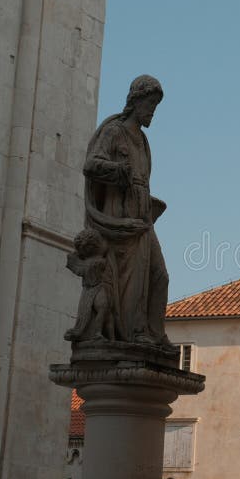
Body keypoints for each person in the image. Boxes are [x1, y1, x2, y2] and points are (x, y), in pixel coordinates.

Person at [81, 75, 172, 347]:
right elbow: (91, 165)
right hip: (120, 214)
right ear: (136, 101)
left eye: (155, 105)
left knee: (159, 275)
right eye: (150, 104)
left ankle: (155, 333)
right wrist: (119, 170)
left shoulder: (143, 141)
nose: (152, 111)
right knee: (135, 275)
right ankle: (136, 332)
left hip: (143, 215)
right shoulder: (114, 131)